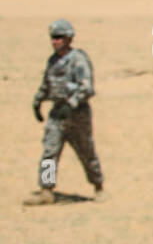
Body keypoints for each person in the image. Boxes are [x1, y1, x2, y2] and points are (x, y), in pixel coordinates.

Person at [25, 19, 104, 205]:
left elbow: (87, 88)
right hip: (57, 113)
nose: (55, 41)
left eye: (59, 38)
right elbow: (47, 84)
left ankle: (98, 185)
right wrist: (37, 101)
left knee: (86, 151)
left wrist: (72, 103)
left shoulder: (78, 59)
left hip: (77, 115)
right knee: (49, 152)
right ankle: (46, 189)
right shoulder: (53, 61)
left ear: (68, 39)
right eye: (53, 38)